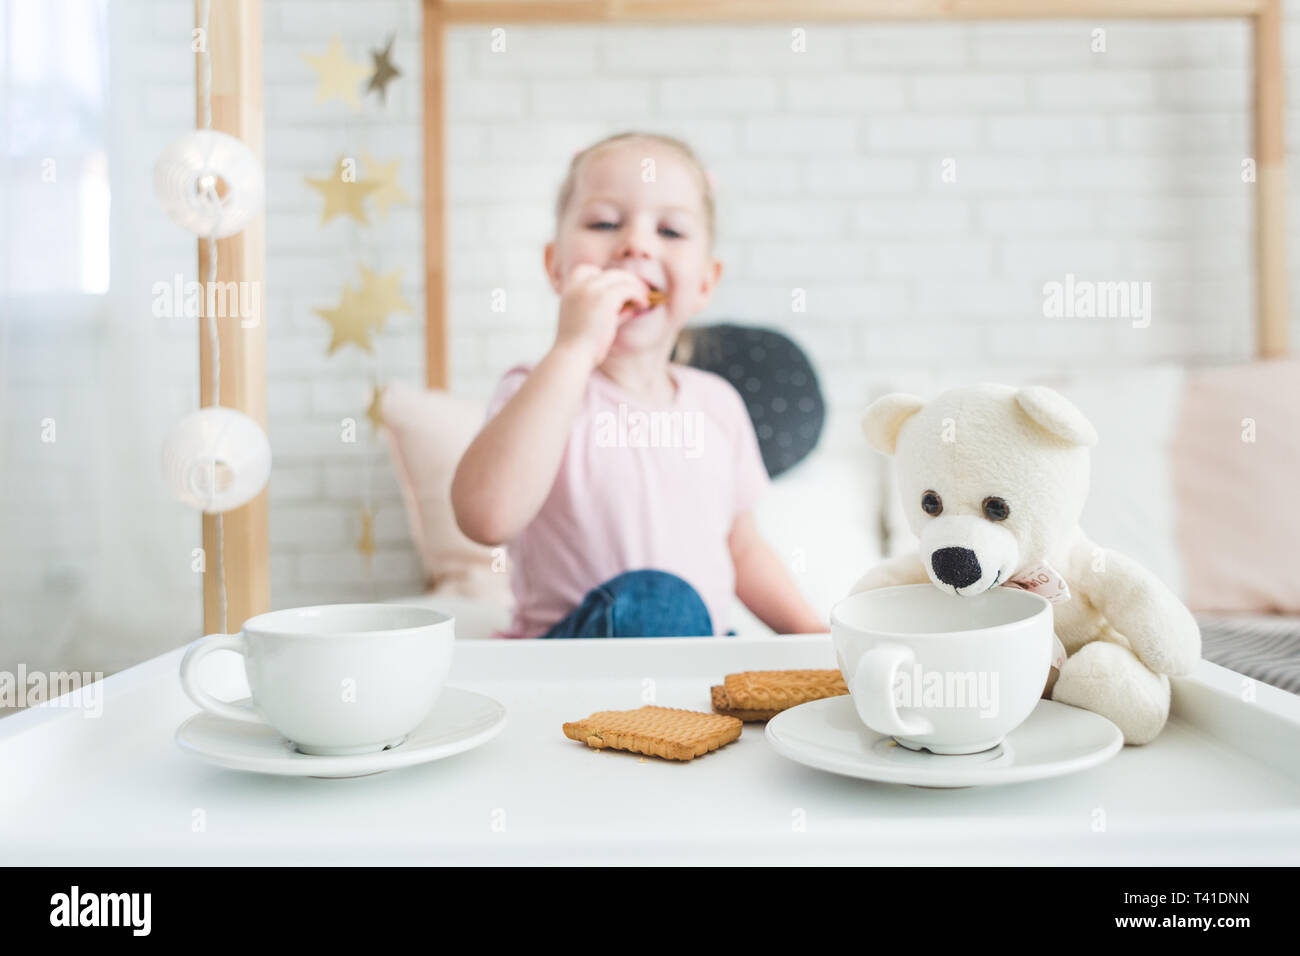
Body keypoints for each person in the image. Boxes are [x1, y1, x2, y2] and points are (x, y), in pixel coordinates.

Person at [451, 132, 827, 640]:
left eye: (670, 231)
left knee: (712, 636)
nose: (637, 244)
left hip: (697, 658)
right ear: (556, 268)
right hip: (575, 660)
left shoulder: (717, 405)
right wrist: (573, 349)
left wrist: (812, 637)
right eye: (604, 223)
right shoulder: (539, 389)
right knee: (661, 601)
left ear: (705, 283)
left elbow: (742, 549)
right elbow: (486, 519)